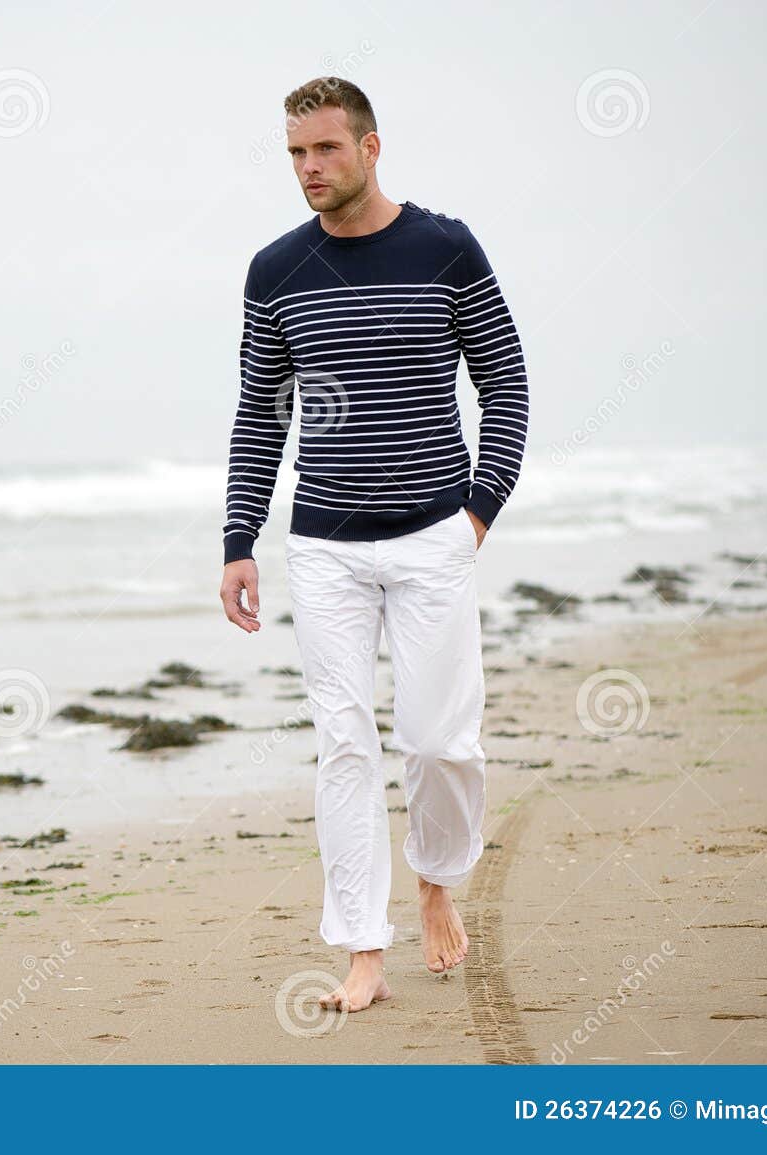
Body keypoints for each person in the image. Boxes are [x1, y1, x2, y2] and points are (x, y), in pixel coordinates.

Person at [218, 77, 529, 1013]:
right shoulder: (275, 270)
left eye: (326, 150)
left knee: (441, 743)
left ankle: (436, 876)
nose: (310, 169)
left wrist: (476, 512)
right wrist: (240, 537)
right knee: (344, 745)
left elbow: (506, 383)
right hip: (324, 547)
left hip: (437, 534)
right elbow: (259, 413)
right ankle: (362, 945)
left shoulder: (444, 247)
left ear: (371, 146)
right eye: (296, 155)